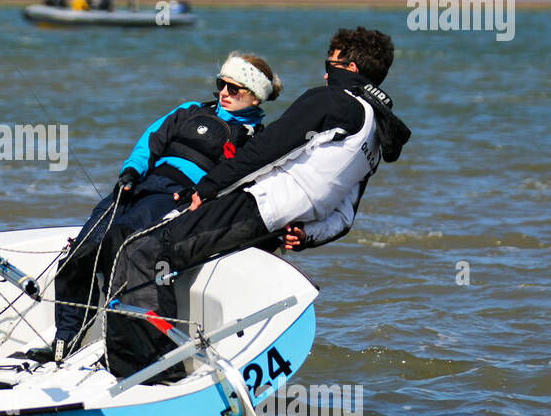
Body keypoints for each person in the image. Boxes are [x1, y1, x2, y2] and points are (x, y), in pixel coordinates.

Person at [102, 27, 411, 378]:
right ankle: (187, 353)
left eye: (331, 64)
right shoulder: (374, 134)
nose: (326, 73)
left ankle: (148, 373)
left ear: (351, 68)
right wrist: (308, 236)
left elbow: (267, 149)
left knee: (141, 250)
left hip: (256, 207)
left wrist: (206, 188)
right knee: (174, 256)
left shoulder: (333, 101)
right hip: (276, 228)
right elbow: (345, 216)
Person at [30, 53, 283, 362]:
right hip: (141, 186)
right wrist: (131, 171)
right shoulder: (190, 111)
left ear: (256, 98)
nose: (224, 94)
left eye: (235, 89)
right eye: (221, 84)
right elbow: (150, 139)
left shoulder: (257, 139)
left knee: (122, 247)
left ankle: (120, 350)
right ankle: (65, 340)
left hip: (177, 199)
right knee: (82, 249)